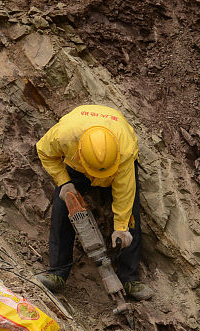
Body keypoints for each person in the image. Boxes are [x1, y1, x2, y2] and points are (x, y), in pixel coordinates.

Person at [35, 104, 152, 301]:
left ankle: (129, 279)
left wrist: (121, 227)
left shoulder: (125, 150)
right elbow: (44, 152)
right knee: (63, 206)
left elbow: (124, 192)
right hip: (77, 166)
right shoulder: (65, 135)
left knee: (130, 214)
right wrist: (64, 182)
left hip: (117, 166)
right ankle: (57, 273)